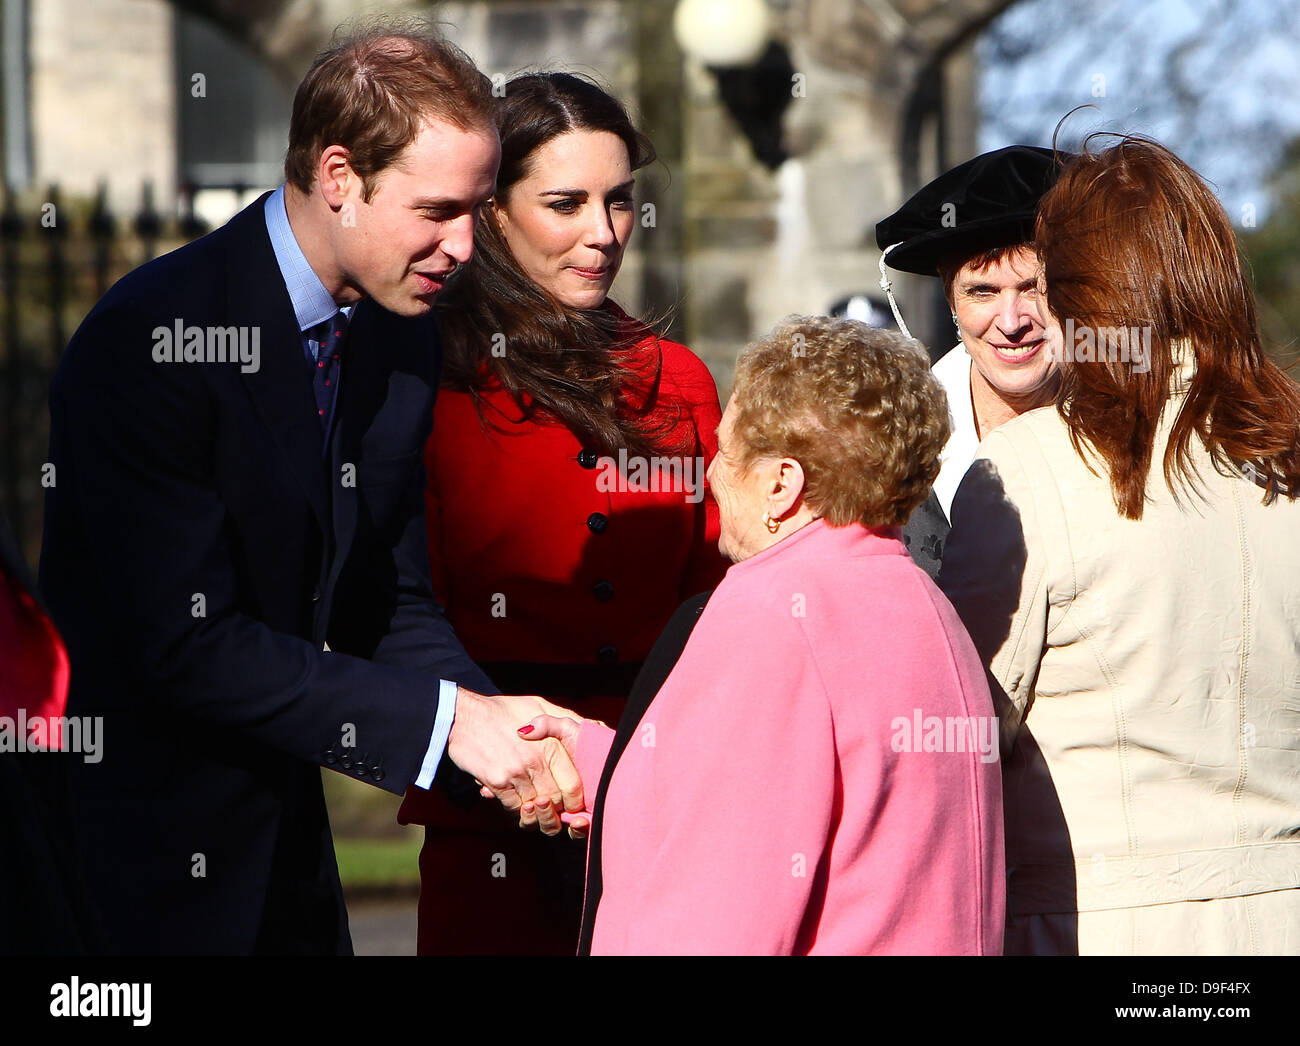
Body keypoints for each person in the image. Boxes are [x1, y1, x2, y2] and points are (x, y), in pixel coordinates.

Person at [37, 21, 583, 956]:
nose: (464, 246)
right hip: (134, 872)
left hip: (286, 871)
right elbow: (184, 645)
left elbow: (386, 594)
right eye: (437, 210)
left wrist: (505, 739)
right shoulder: (152, 339)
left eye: (478, 209)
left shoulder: (398, 330)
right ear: (339, 177)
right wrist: (449, 723)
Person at [524, 316, 1005, 955]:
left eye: (725, 452)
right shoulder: (921, 604)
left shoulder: (774, 610)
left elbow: (716, 908)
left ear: (780, 484)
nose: (713, 475)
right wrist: (597, 757)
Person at [937, 136, 1300, 955]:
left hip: (1099, 927)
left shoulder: (1029, 467)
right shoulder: (1288, 451)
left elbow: (959, 729)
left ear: (1075, 288)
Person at [397, 72, 728, 955]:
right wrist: (514, 751)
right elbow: (401, 604)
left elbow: (717, 598)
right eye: (566, 202)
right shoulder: (428, 377)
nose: (604, 233)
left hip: (650, 789)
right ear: (495, 214)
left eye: (619, 202)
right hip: (489, 794)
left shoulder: (682, 381)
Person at [875, 145, 1067, 576]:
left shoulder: (1137, 424)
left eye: (1035, 288)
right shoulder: (889, 440)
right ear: (951, 301)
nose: (1012, 321)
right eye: (983, 291)